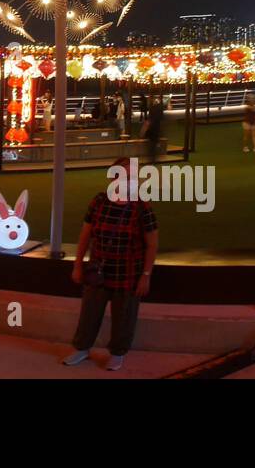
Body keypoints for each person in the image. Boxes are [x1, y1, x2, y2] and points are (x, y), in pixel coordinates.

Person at [62, 159, 159, 372]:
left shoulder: (142, 208)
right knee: (90, 311)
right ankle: (82, 347)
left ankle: (117, 353)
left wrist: (146, 275)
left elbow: (152, 244)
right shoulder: (99, 201)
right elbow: (85, 235)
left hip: (128, 272)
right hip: (98, 270)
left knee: (124, 315)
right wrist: (78, 264)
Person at [141, 95, 164, 161]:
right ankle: (153, 155)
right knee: (154, 142)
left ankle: (152, 156)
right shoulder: (159, 108)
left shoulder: (153, 108)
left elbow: (150, 118)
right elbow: (161, 117)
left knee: (152, 142)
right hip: (156, 127)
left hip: (152, 128)